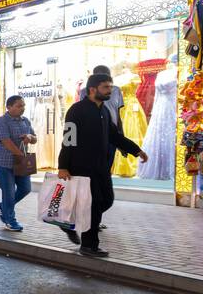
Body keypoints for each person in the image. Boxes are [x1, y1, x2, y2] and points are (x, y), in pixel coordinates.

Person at [59, 72, 148, 257]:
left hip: (101, 166)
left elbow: (115, 136)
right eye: (106, 87)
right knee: (94, 204)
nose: (110, 90)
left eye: (110, 86)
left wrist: (136, 150)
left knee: (107, 200)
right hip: (81, 166)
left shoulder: (104, 111)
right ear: (93, 89)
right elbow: (68, 139)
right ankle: (89, 245)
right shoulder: (76, 110)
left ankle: (70, 223)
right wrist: (63, 165)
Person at [0, 95, 37, 233]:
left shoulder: (25, 121)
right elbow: (6, 141)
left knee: (25, 189)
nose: (22, 108)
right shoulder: (1, 122)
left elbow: (34, 139)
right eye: (19, 106)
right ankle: (10, 221)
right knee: (9, 194)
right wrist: (21, 155)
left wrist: (30, 137)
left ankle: (2, 207)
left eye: (23, 105)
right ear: (9, 107)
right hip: (4, 163)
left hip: (20, 164)